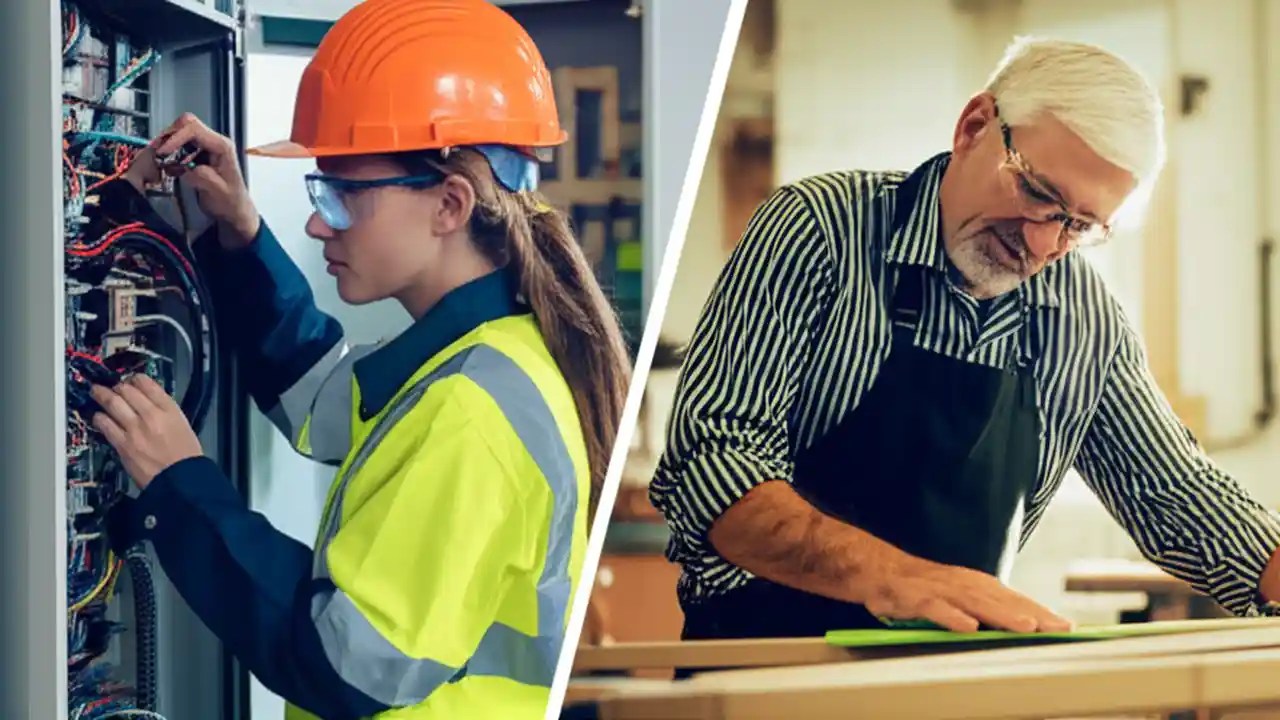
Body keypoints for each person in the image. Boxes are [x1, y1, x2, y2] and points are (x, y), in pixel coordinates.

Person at [87, 0, 631, 718]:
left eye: (343, 194)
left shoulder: (473, 412)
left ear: (449, 204)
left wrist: (182, 488)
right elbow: (319, 395)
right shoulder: (487, 353)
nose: (317, 220)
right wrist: (239, 234)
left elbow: (343, 664)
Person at [651, 36, 1280, 643]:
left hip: (945, 681)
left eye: (1079, 226)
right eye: (1037, 193)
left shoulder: (1083, 316)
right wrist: (895, 579)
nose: (1041, 245)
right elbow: (712, 461)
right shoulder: (821, 230)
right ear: (974, 126)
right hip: (761, 672)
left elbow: (1176, 491)